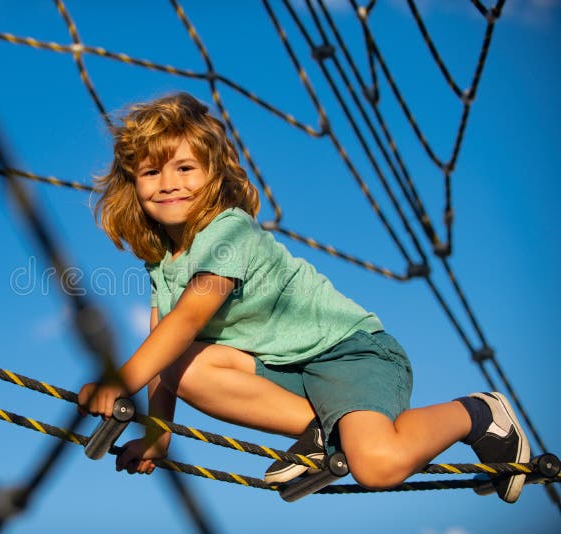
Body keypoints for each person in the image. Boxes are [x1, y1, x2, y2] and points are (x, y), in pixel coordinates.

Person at [77, 92, 529, 503]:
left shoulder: (230, 230)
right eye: (151, 172)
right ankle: (322, 432)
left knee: (376, 465)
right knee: (177, 363)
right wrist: (158, 435)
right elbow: (165, 351)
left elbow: (188, 319)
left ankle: (477, 413)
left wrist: (118, 381)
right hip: (286, 371)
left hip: (350, 353)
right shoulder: (162, 261)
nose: (168, 182)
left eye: (185, 168)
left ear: (213, 174)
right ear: (132, 183)